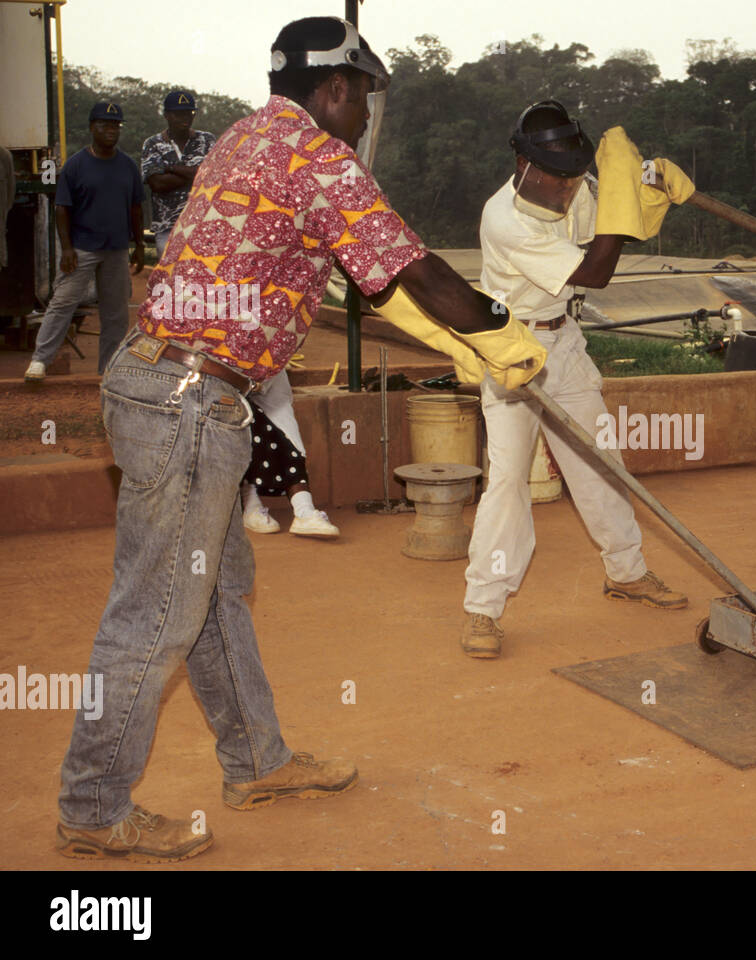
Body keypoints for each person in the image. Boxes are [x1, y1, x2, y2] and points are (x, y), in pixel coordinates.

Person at [55, 16, 544, 864]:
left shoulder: (249, 138)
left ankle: (256, 762)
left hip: (173, 384)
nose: (364, 120)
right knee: (157, 615)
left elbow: (374, 283)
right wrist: (501, 334)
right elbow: (414, 270)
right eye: (365, 101)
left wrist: (455, 340)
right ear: (336, 88)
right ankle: (93, 807)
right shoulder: (320, 154)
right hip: (188, 398)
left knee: (212, 599)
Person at [461, 100, 692, 658]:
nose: (569, 190)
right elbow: (596, 270)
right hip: (513, 349)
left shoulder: (573, 185)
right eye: (557, 178)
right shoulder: (505, 218)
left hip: (564, 340)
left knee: (599, 460)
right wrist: (617, 208)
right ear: (523, 163)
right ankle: (483, 609)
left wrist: (643, 185)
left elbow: (612, 226)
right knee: (509, 480)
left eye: (574, 176)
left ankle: (626, 572)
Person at [25, 102, 145, 381]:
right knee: (62, 303)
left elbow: (136, 208)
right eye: (104, 124)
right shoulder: (76, 165)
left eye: (115, 125)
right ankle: (40, 361)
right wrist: (66, 247)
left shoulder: (127, 165)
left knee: (115, 313)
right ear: (92, 127)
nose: (110, 130)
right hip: (81, 248)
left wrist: (138, 244)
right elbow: (61, 208)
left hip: (116, 248)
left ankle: (108, 368)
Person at [240, 368, 338, 537]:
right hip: (224, 406)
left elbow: (253, 384)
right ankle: (250, 504)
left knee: (289, 446)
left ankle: (304, 512)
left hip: (266, 402)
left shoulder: (274, 356)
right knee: (238, 432)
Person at [140, 90, 215, 258]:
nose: (185, 118)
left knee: (203, 282)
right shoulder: (153, 144)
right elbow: (157, 184)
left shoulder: (207, 140)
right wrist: (196, 173)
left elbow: (213, 176)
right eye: (179, 114)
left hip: (203, 227)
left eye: (190, 113)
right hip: (168, 228)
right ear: (167, 115)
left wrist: (170, 168)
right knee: (170, 281)